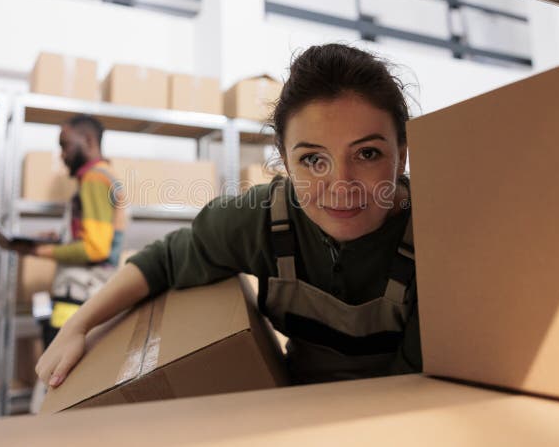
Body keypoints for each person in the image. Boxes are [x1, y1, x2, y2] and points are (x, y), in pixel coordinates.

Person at [36, 44, 420, 387]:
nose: (341, 184)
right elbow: (165, 260)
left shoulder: (435, 233)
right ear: (285, 161)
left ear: (401, 153)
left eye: (367, 154)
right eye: (312, 159)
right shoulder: (263, 219)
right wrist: (80, 325)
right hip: (300, 407)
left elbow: (417, 383)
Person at [25, 114, 126, 349]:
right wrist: (61, 239)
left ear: (89, 141)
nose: (62, 154)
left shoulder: (94, 180)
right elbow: (95, 236)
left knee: (56, 377)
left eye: (65, 145)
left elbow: (95, 249)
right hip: (89, 296)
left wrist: (40, 251)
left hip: (79, 297)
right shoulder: (105, 176)